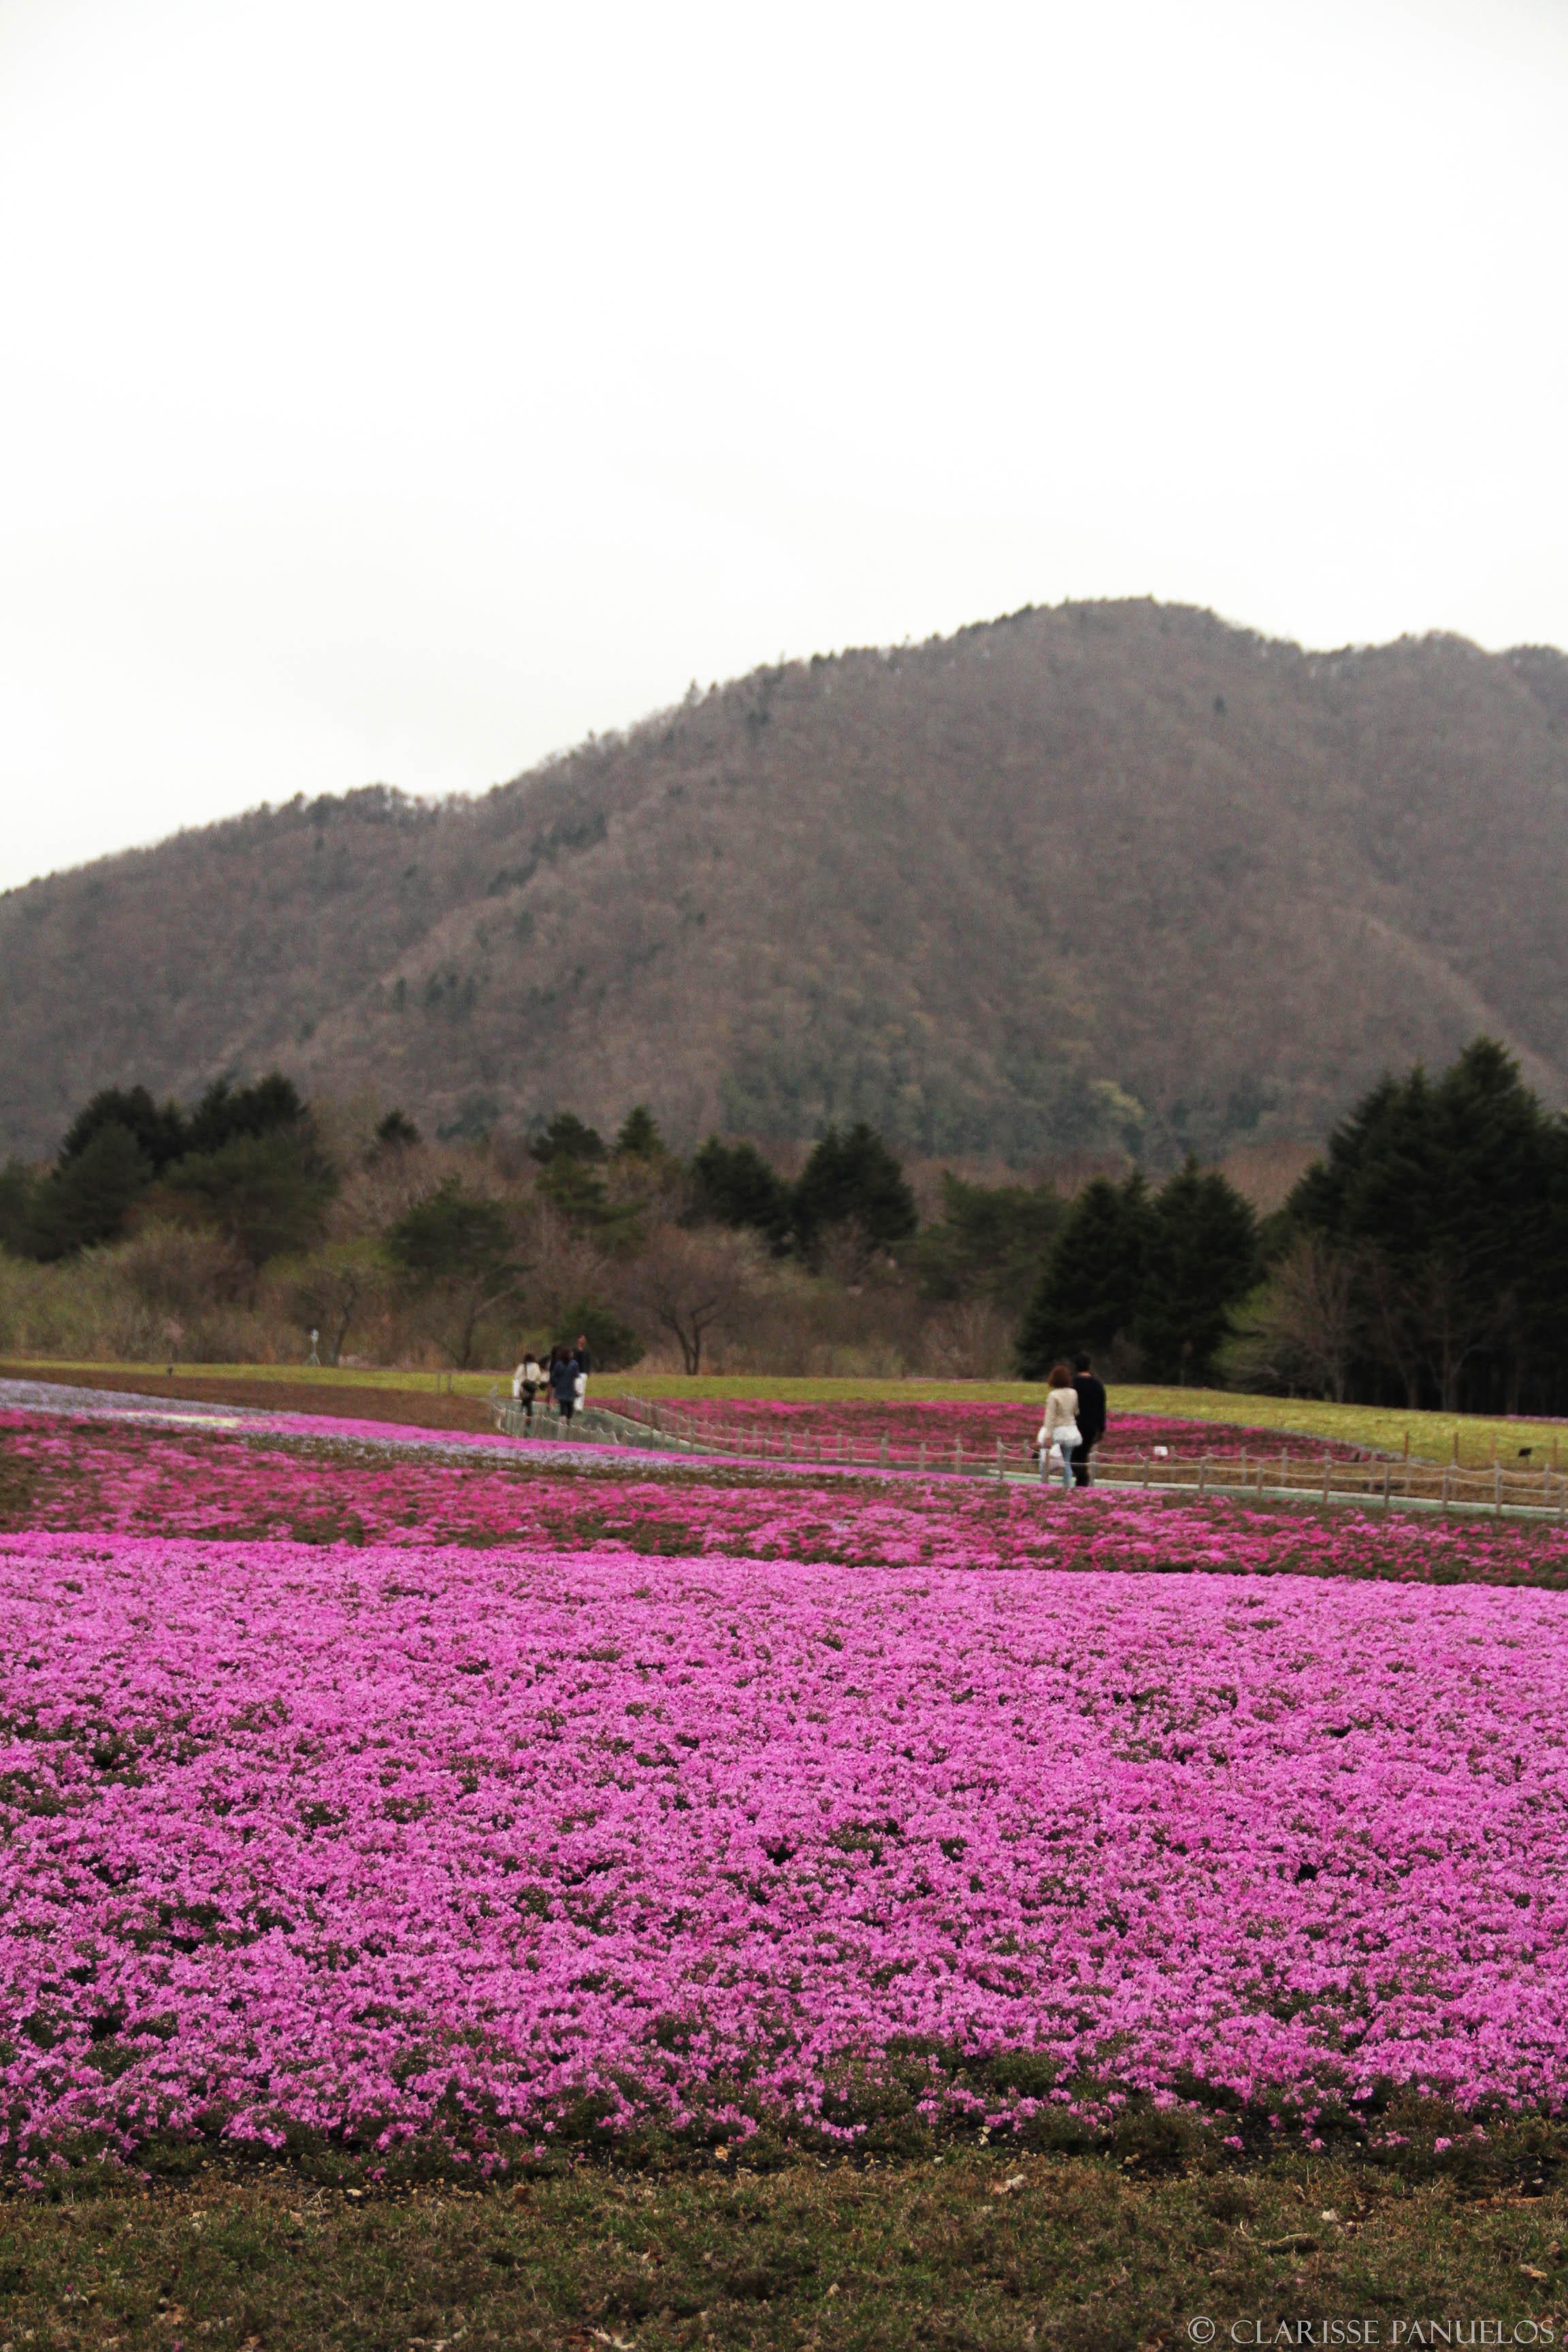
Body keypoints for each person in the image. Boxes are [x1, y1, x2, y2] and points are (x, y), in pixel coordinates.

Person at [1036, 1360, 1081, 1491]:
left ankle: (1044, 1486)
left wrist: (1048, 1436)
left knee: (1044, 1459)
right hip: (1071, 1431)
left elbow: (1050, 1418)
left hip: (1056, 1431)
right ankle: (1067, 1488)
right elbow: (1076, 1411)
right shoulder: (1074, 1393)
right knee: (1066, 1462)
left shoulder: (1053, 1395)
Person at [1071, 1350, 1107, 1487]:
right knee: (1082, 1455)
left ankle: (1083, 1479)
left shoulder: (1072, 1383)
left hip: (1075, 1425)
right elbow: (1101, 1408)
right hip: (1091, 1427)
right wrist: (1101, 1429)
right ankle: (1082, 1484)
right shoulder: (1097, 1385)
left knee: (1074, 1458)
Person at [550, 1345, 581, 1427]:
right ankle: (567, 1423)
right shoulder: (574, 1364)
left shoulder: (559, 1364)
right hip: (570, 1389)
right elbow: (577, 1378)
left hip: (561, 1389)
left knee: (563, 1407)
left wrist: (556, 1383)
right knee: (570, 1407)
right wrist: (577, 1390)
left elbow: (553, 1377)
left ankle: (563, 1423)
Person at [511, 1351, 543, 1425]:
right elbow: (538, 1376)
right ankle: (528, 1418)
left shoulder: (522, 1366)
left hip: (524, 1387)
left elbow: (516, 1376)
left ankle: (520, 1416)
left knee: (524, 1401)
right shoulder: (536, 1366)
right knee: (529, 1403)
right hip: (532, 1387)